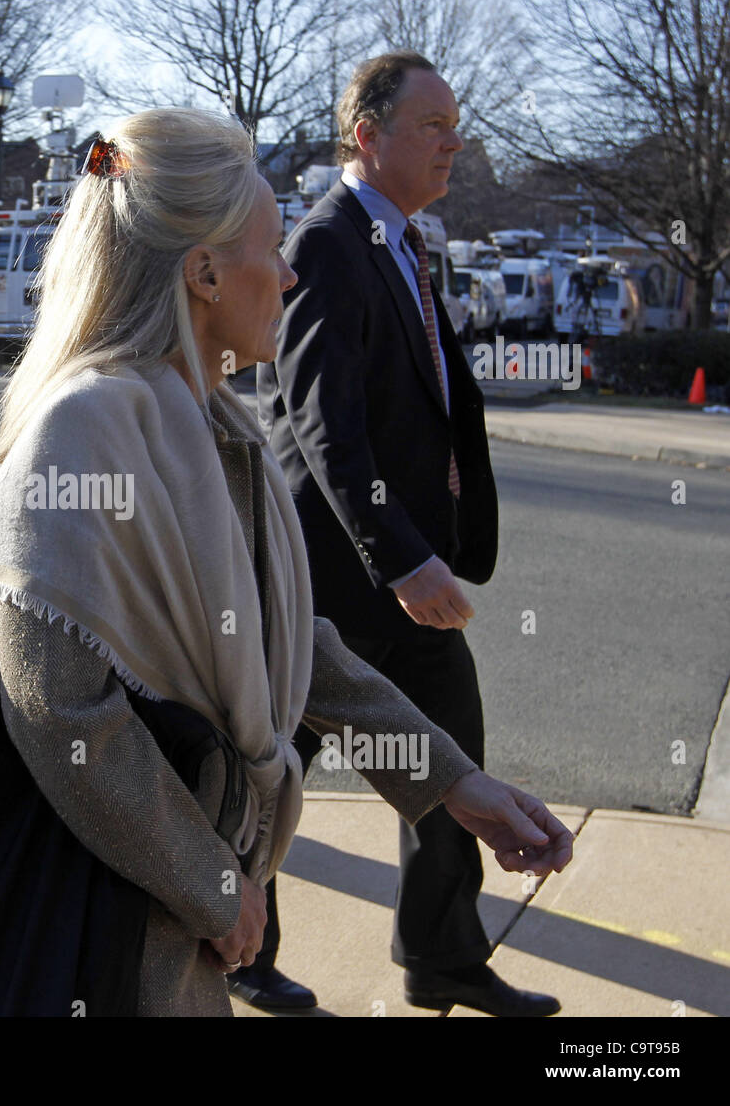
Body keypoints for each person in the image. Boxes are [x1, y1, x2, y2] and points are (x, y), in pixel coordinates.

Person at [0, 107, 572, 1016]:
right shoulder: (89, 421)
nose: (287, 272)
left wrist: (451, 783)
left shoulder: (212, 420)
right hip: (102, 925)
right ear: (202, 273)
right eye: (272, 248)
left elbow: (283, 640)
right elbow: (55, 700)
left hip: (169, 916)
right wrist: (209, 881)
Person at [252, 51, 560, 1017]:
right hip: (331, 585)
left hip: (409, 580)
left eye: (454, 127)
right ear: (366, 135)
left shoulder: (405, 244)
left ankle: (443, 956)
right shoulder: (324, 243)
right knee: (266, 784)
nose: (453, 144)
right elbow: (319, 421)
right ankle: (239, 949)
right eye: (433, 127)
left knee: (448, 768)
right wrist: (405, 557)